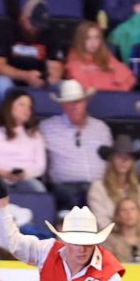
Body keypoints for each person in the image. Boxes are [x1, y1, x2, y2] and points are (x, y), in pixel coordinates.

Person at [42, 81, 112, 211]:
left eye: (78, 102)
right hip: (64, 187)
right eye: (69, 102)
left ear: (85, 102)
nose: (74, 107)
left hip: (98, 187)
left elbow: (110, 159)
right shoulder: (47, 127)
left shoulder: (101, 128)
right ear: (62, 105)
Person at [0, 0, 64, 107]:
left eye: (40, 25)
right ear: (24, 17)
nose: (36, 29)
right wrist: (26, 76)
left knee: (65, 86)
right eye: (33, 24)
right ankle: (7, 118)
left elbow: (55, 66)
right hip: (9, 78)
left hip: (38, 80)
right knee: (2, 84)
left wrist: (52, 76)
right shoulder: (4, 29)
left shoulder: (49, 33)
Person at [88, 135, 140, 231]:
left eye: (128, 157)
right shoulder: (98, 188)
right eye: (119, 156)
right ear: (111, 160)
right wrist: (122, 233)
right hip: (108, 236)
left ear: (132, 162)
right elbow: (100, 220)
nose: (124, 161)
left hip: (135, 236)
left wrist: (133, 234)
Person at [64, 22, 136, 94]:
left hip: (114, 97)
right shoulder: (74, 60)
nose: (93, 42)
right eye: (88, 38)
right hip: (92, 98)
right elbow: (86, 88)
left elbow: (129, 78)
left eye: (96, 37)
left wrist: (118, 93)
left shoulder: (106, 55)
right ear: (80, 40)